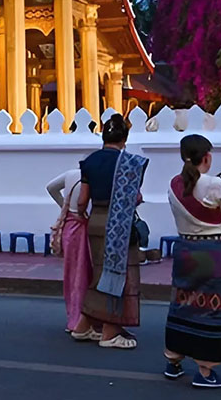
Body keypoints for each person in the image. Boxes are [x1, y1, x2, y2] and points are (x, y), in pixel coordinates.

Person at [163, 134, 221, 389]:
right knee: (209, 307)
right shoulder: (215, 184)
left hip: (184, 250)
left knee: (182, 303)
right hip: (211, 252)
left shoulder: (173, 184)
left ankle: (173, 360)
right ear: (207, 157)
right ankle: (205, 370)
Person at [69, 113, 148, 349]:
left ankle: (83, 326)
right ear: (124, 139)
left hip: (96, 220)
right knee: (118, 275)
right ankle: (110, 332)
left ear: (103, 136)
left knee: (100, 274)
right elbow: (134, 198)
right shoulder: (130, 164)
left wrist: (84, 216)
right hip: (120, 224)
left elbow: (82, 200)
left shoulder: (90, 162)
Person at [48, 168, 94, 333]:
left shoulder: (70, 174)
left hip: (70, 227)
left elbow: (51, 187)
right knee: (87, 275)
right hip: (85, 228)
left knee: (72, 276)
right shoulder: (93, 177)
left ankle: (73, 317)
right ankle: (84, 320)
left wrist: (64, 206)